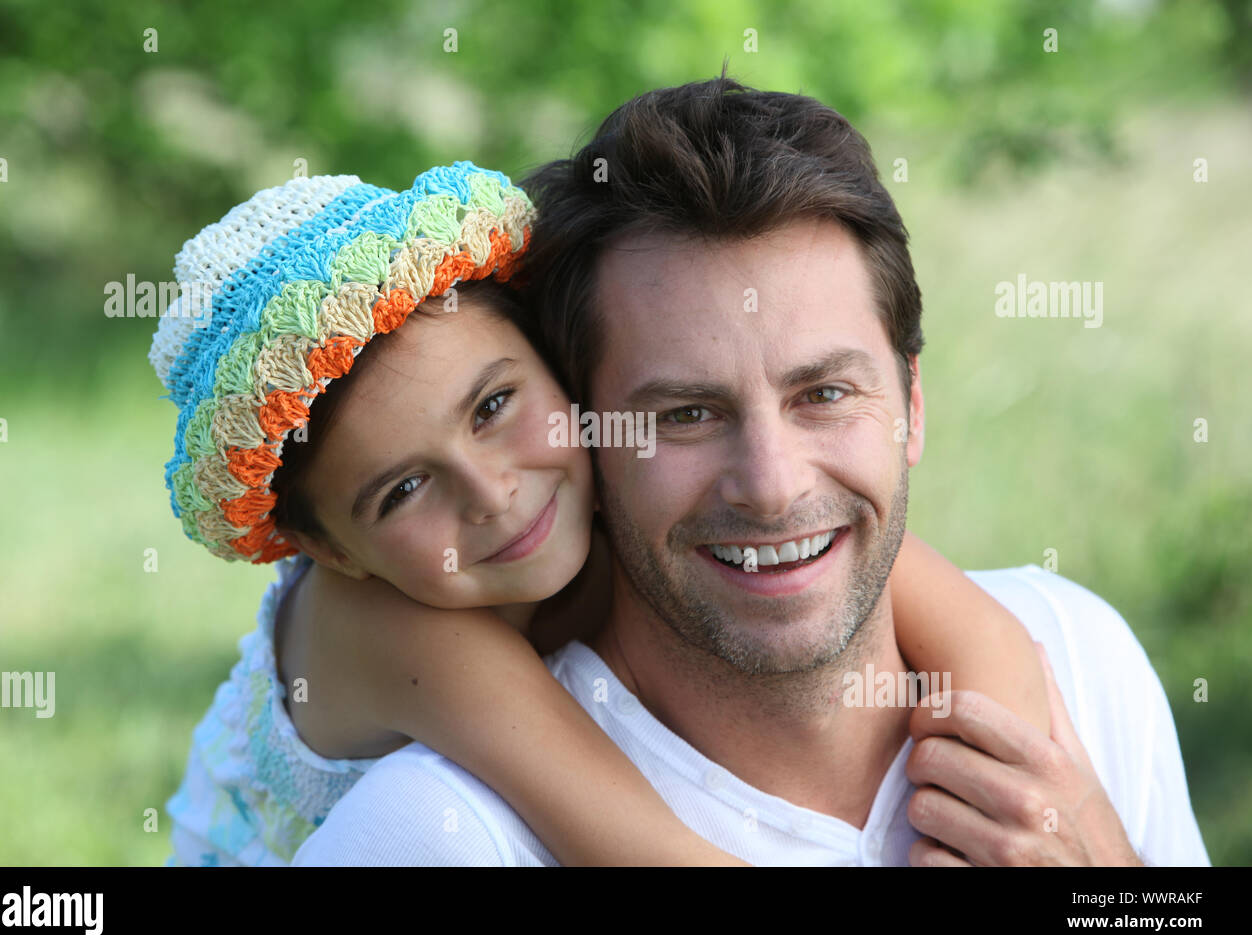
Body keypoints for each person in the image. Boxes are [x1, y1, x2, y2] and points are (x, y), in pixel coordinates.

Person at [292, 78, 1210, 866]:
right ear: (593, 435)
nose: (771, 486)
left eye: (825, 394)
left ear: (913, 406)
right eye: (684, 415)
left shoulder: (1081, 666)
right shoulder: (441, 833)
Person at [155, 160, 1049, 866]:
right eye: (403, 491)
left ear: (556, 364)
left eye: (494, 407)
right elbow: (655, 856)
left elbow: (988, 640)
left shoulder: (612, 509)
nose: (493, 493)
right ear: (327, 549)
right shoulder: (385, 628)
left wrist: (1007, 819)